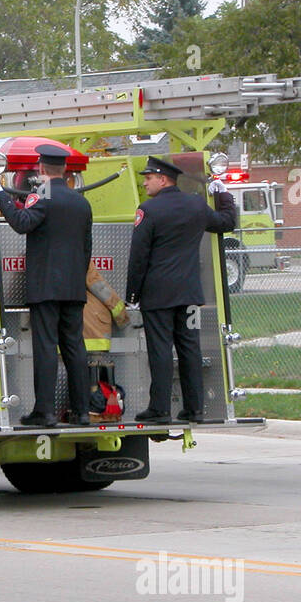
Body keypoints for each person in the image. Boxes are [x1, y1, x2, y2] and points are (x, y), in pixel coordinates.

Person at [124, 155, 237, 424]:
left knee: (160, 350)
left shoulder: (148, 210)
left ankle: (160, 409)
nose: (146, 183)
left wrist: (132, 296)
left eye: (149, 178)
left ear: (163, 179)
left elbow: (138, 256)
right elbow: (226, 223)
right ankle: (194, 408)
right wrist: (224, 196)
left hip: (158, 296)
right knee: (189, 348)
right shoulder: (196, 205)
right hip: (188, 295)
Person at [0, 142, 93, 427]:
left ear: (42, 168)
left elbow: (22, 223)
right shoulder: (81, 201)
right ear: (65, 169)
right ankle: (82, 411)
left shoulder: (41, 195)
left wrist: (0, 196)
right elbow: (86, 247)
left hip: (46, 286)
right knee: (75, 347)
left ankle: (45, 411)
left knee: (46, 347)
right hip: (73, 287)